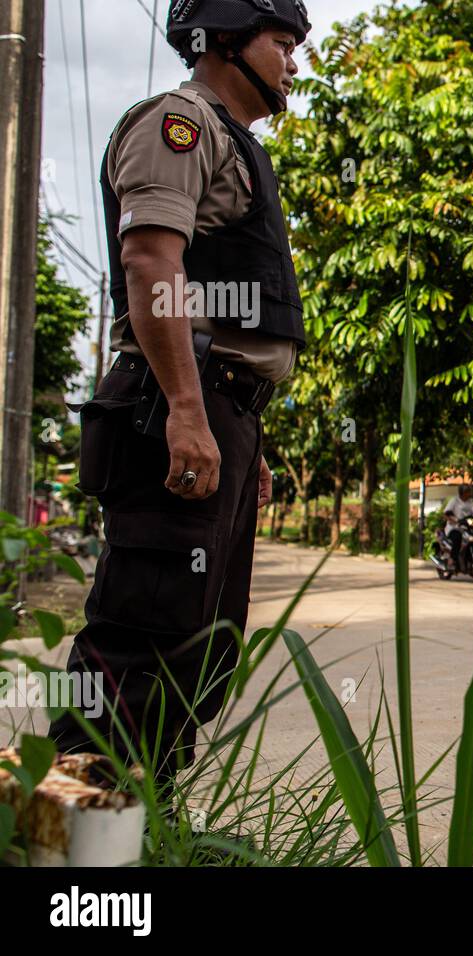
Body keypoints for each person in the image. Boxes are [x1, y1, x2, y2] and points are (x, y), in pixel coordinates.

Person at [48, 0, 312, 781]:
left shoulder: (237, 146)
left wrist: (240, 430)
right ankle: (73, 832)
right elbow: (151, 267)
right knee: (139, 640)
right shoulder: (180, 123)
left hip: (215, 406)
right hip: (171, 403)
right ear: (226, 38)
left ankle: (143, 822)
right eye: (281, 43)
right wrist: (191, 412)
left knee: (196, 648)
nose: (294, 62)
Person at [442, 483, 473, 566]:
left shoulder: (471, 502)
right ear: (462, 493)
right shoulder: (454, 500)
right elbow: (445, 514)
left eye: (470, 491)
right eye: (468, 492)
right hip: (454, 528)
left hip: (467, 527)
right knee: (457, 538)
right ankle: (452, 558)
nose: (470, 493)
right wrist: (453, 520)